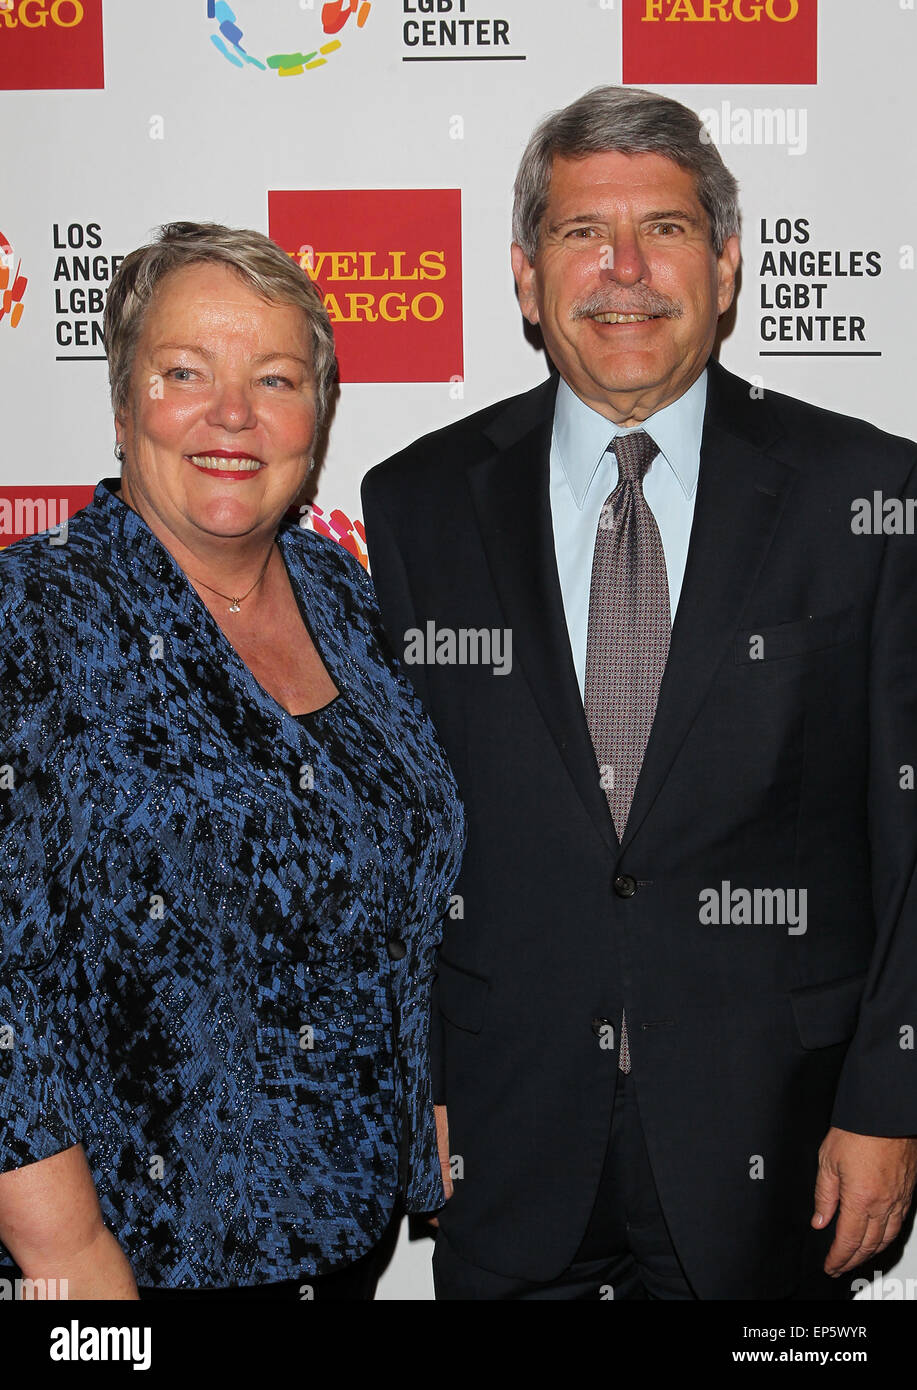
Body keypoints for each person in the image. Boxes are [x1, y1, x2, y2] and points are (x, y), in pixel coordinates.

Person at [361, 86, 917, 1300]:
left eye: (662, 230)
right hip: (505, 1137)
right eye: (578, 234)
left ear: (722, 268)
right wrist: (418, 1076)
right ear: (522, 277)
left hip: (778, 1133)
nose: (623, 270)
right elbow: (397, 834)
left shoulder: (865, 496)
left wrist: (890, 1096)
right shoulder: (414, 501)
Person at [0, 221, 464, 1299]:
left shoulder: (340, 596)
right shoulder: (35, 615)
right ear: (124, 406)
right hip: (127, 1261)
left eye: (275, 378)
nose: (232, 414)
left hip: (342, 1242)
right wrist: (68, 1259)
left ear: (319, 418)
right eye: (183, 373)